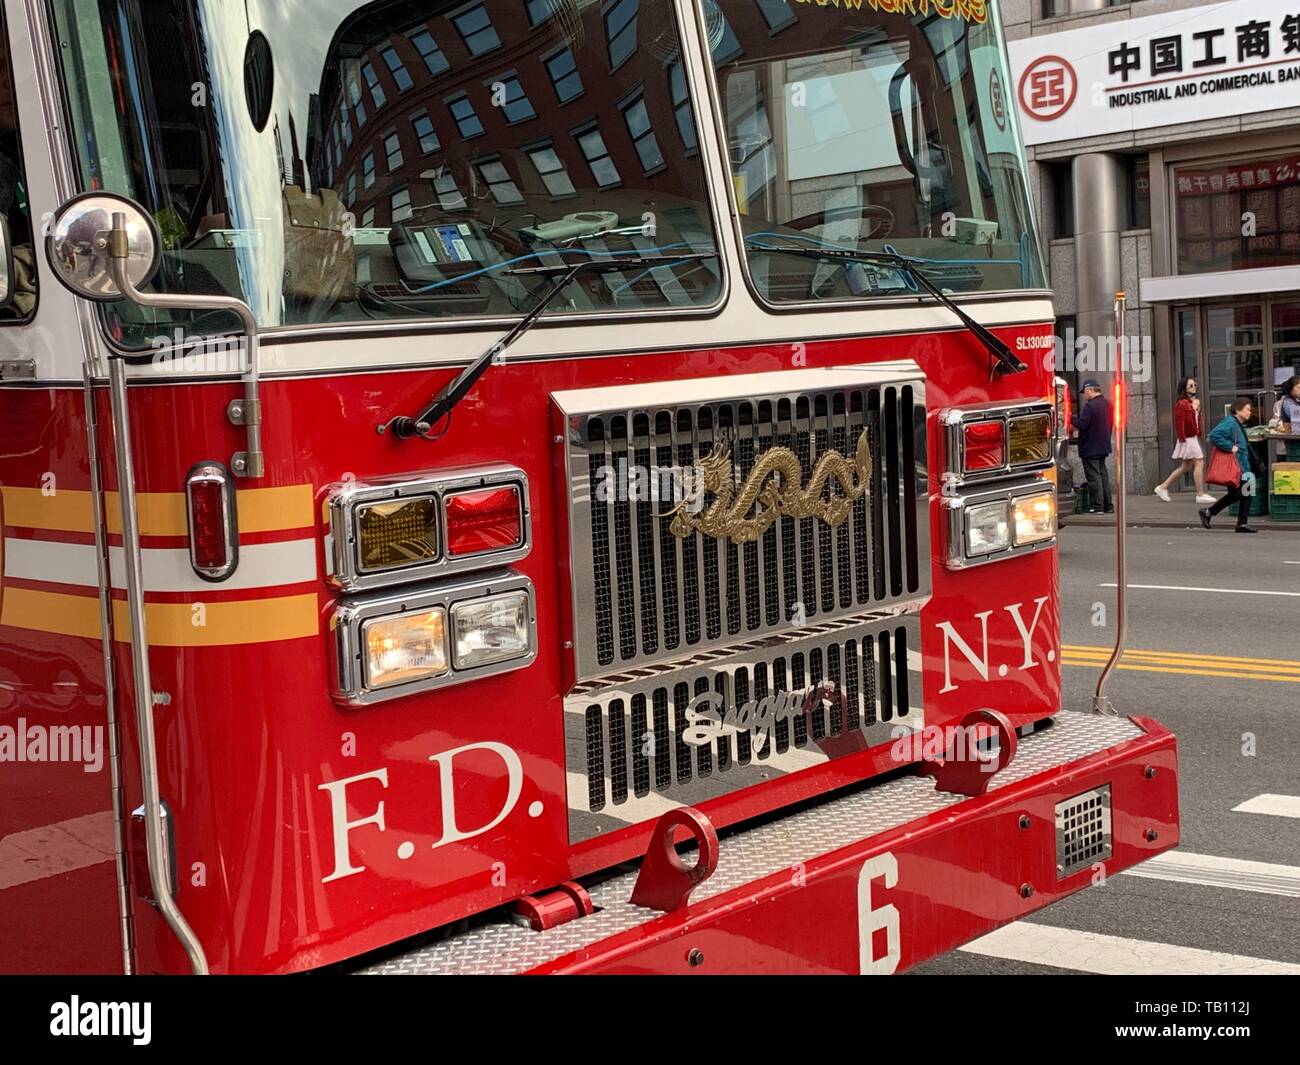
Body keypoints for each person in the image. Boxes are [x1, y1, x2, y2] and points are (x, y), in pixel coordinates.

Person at [1200, 397, 1258, 533]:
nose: (1250, 412)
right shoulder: (1231, 422)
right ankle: (1209, 511)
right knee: (1237, 494)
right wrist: (1230, 447)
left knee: (1247, 493)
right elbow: (1214, 435)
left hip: (1242, 465)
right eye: (1248, 409)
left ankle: (1241, 523)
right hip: (1236, 466)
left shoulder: (1237, 423)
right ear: (1238, 409)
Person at [1154, 377, 1214, 504]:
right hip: (1188, 437)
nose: (1194, 387)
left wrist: (1195, 408)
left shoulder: (1191, 402)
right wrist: (1183, 439)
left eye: (1195, 385)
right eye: (1191, 385)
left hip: (1191, 436)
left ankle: (1163, 486)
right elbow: (1179, 422)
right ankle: (1200, 494)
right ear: (1184, 388)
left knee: (1186, 466)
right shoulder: (1182, 404)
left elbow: (1195, 421)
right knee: (1199, 462)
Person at [1071, 379, 1114, 513]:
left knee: (1093, 477)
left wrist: (1071, 418)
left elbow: (1082, 424)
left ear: (1090, 389)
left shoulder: (1090, 406)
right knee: (1103, 475)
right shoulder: (1108, 405)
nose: (1084, 395)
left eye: (1085, 392)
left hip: (1090, 447)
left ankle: (1098, 506)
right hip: (1103, 445)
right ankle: (1108, 506)